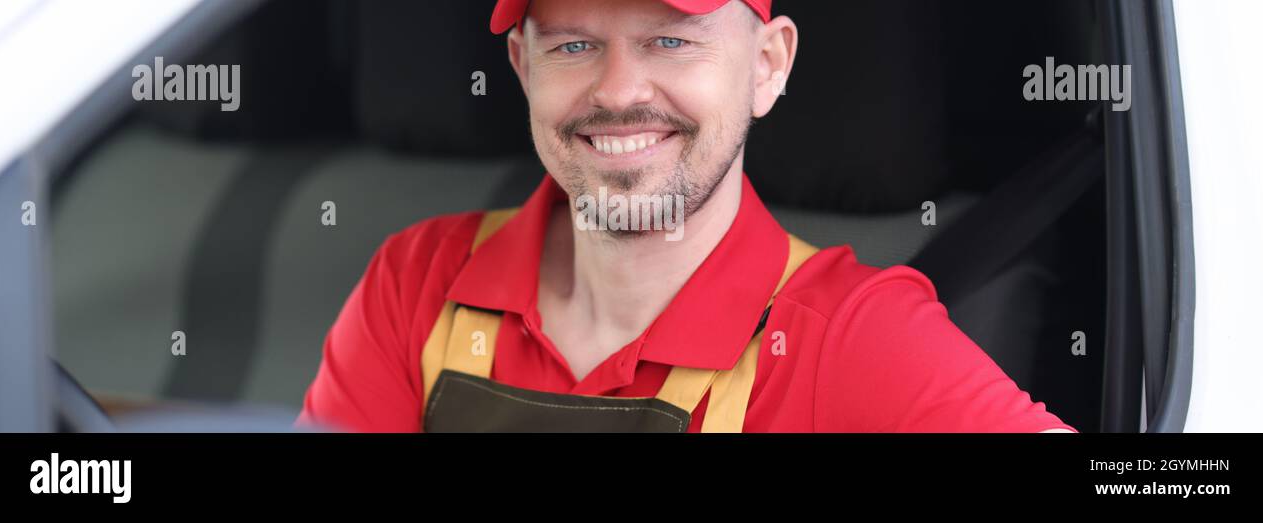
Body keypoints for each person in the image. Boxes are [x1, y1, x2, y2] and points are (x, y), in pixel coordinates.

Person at [298, 0, 1078, 433]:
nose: (618, 91)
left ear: (768, 65)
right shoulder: (420, 283)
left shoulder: (848, 335)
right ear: (520, 67)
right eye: (572, 47)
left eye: (670, 40)